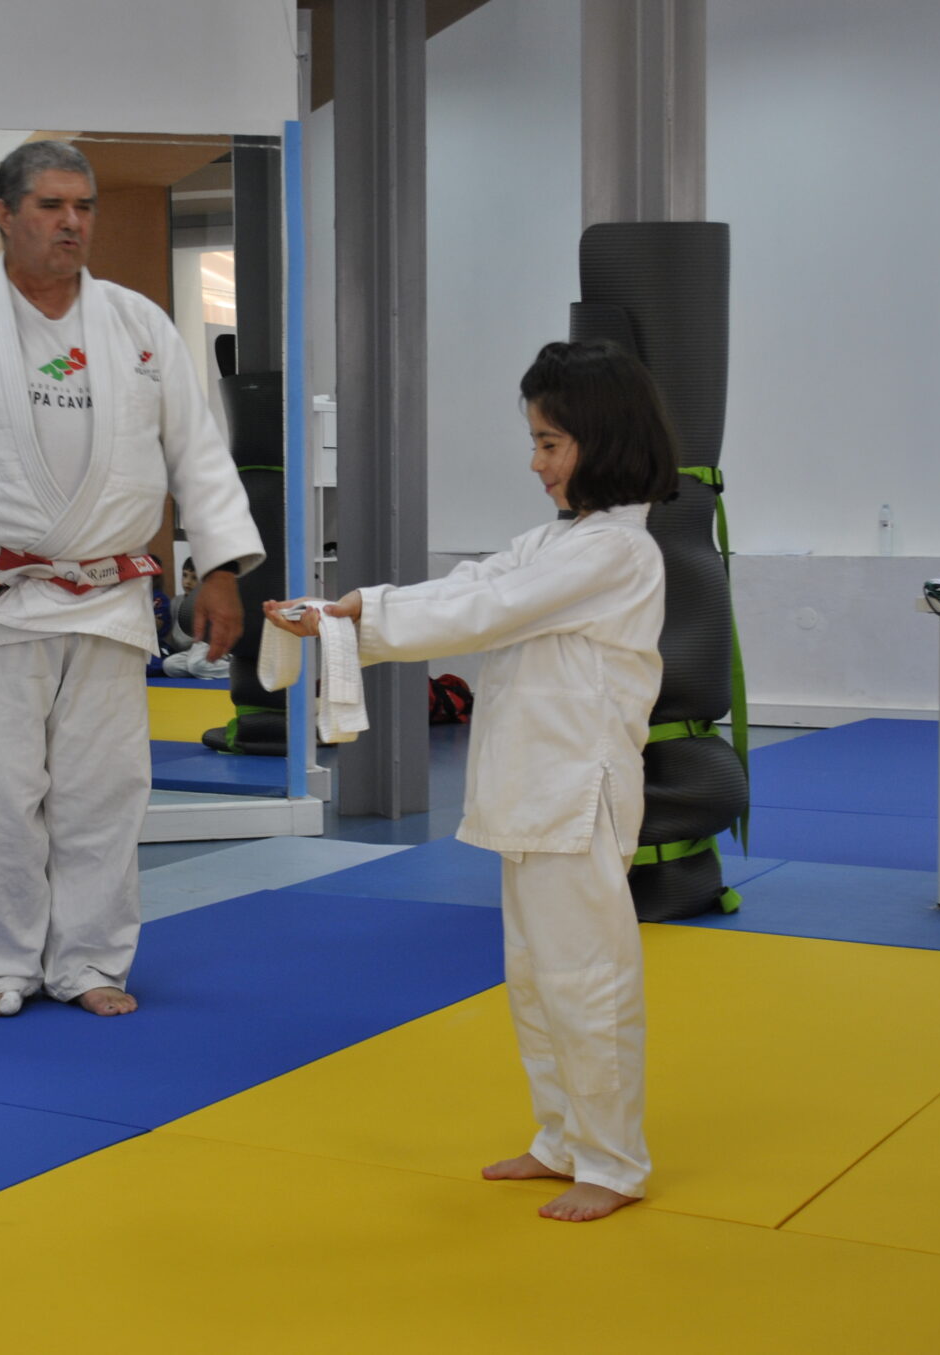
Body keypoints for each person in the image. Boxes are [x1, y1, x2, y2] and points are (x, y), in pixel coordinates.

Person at [264, 340, 677, 1223]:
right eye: (534, 441)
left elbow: (480, 610)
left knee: (586, 976)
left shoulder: (615, 553)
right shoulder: (554, 541)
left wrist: (360, 619)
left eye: (550, 444)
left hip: (579, 794)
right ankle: (562, 1136)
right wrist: (347, 612)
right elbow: (475, 582)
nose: (535, 463)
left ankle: (613, 1156)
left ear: (602, 444)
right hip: (532, 787)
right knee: (533, 974)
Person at [0, 139, 262, 1018]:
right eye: (50, 205)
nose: (72, 221)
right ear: (4, 216)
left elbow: (197, 453)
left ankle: (89, 960)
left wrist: (220, 570)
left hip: (111, 592)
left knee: (105, 790)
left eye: (84, 206)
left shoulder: (137, 323)